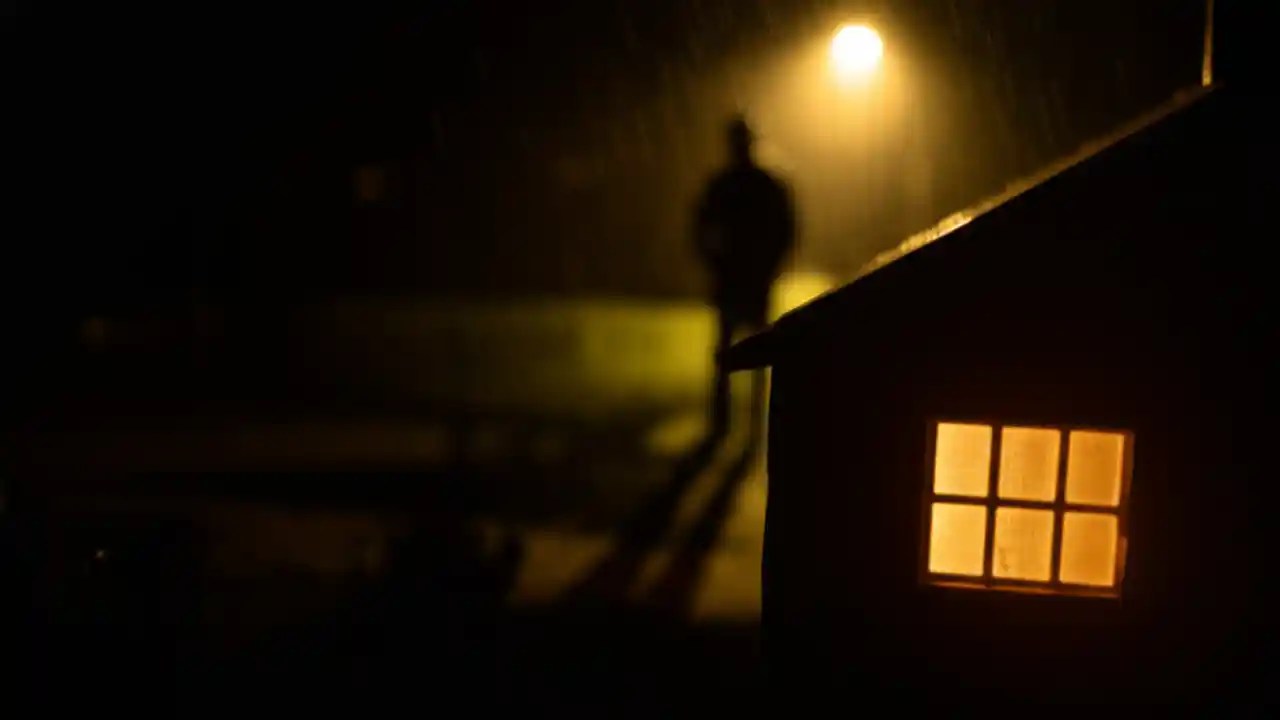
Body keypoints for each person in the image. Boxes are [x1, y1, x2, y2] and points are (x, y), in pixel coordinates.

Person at [694, 114, 795, 445]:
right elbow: (786, 229)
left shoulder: (727, 184)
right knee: (752, 352)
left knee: (733, 351)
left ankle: (729, 423)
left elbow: (701, 228)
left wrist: (717, 262)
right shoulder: (762, 184)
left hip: (740, 276)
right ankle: (746, 423)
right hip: (748, 276)